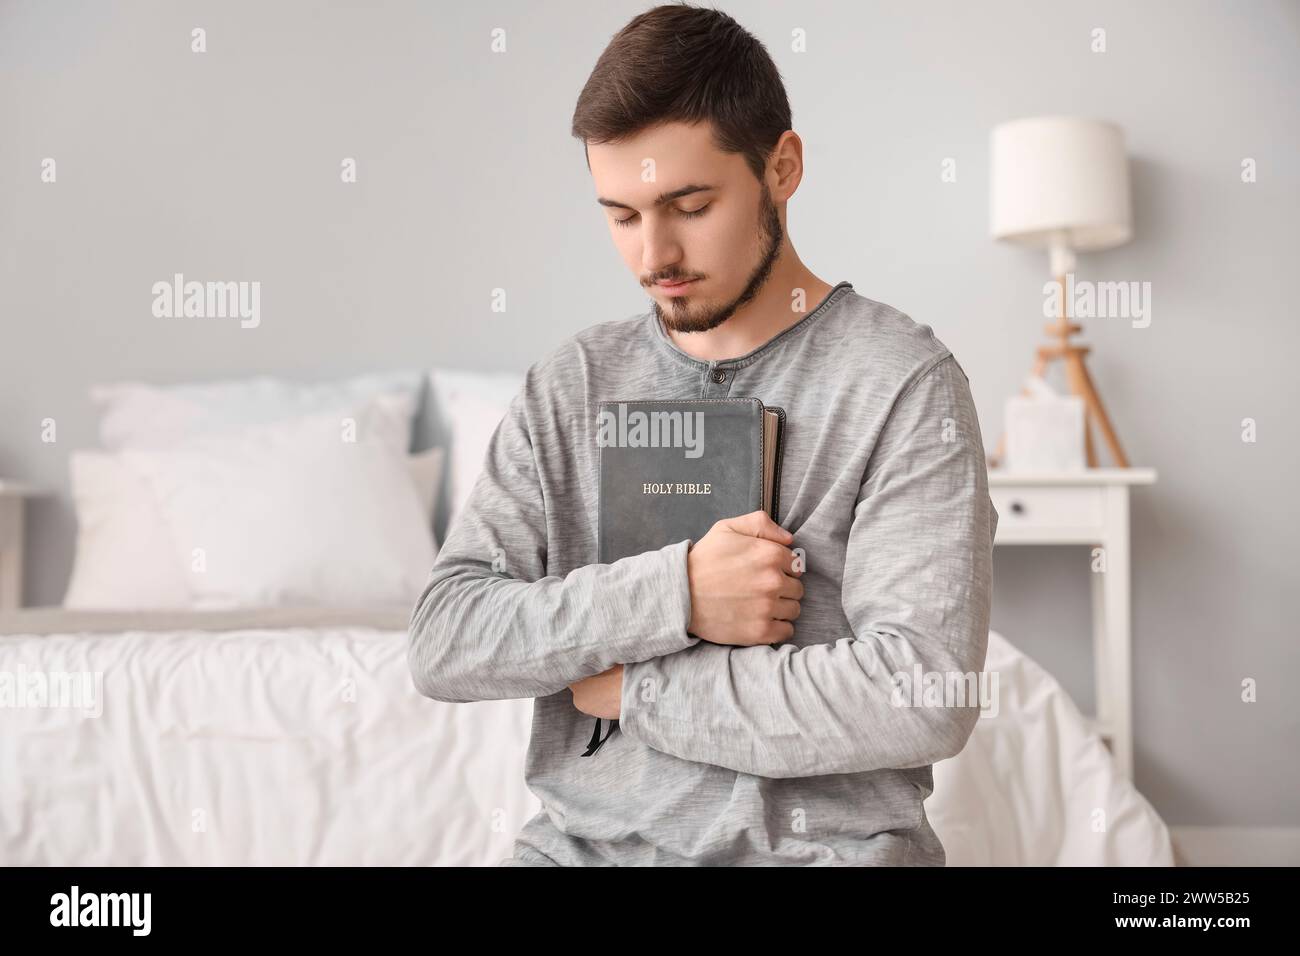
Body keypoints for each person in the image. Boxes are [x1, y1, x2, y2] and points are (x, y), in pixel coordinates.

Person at [408, 2, 997, 866]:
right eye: (621, 214)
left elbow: (924, 692)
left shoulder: (904, 381)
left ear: (782, 167)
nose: (655, 256)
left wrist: (635, 689)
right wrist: (675, 591)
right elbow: (445, 639)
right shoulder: (571, 382)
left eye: (690, 204)